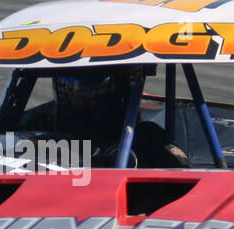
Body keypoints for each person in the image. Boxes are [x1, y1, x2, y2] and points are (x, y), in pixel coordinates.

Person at [28, 69, 188, 168]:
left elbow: (183, 177)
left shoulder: (148, 139)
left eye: (87, 93)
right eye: (68, 91)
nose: (77, 101)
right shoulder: (40, 122)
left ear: (115, 92)